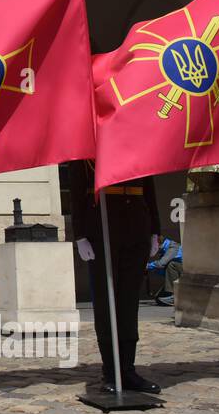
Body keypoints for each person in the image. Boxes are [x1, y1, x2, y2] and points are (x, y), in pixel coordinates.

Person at [68, 160, 161, 395]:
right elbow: (77, 191)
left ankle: (128, 369)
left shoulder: (136, 145)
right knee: (105, 303)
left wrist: (154, 230)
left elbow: (149, 186)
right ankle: (110, 371)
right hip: (101, 227)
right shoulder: (85, 151)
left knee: (129, 303)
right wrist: (80, 235)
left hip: (136, 225)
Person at [146, 236, 182, 307]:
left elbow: (160, 264)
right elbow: (163, 270)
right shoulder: (164, 251)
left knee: (172, 264)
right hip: (178, 273)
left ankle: (175, 296)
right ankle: (170, 295)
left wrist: (147, 266)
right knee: (159, 299)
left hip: (185, 270)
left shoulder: (173, 247)